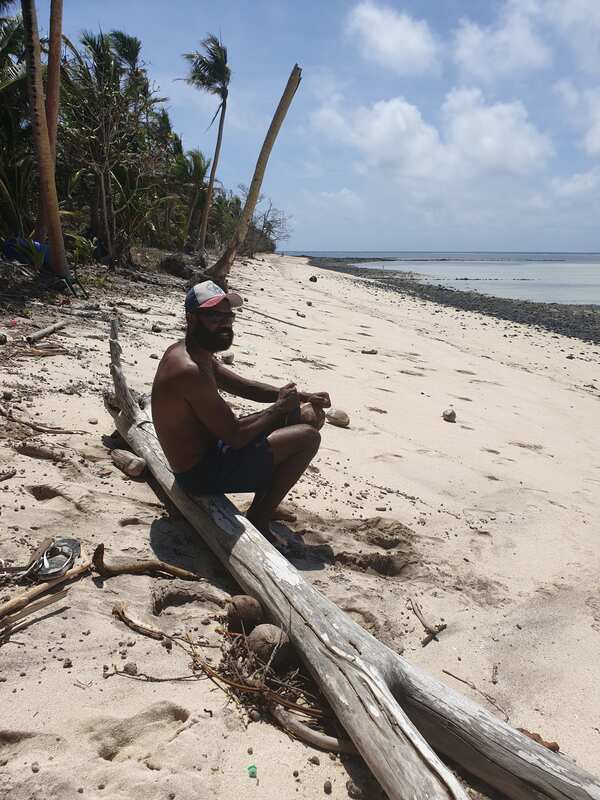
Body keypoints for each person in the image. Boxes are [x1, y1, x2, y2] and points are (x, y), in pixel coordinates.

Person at [152, 280, 331, 544]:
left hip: (214, 449)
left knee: (298, 416)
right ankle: (259, 517)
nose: (224, 323)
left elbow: (245, 386)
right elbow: (235, 435)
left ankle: (267, 497)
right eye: (214, 316)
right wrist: (280, 406)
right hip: (198, 474)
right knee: (307, 437)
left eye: (229, 316)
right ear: (191, 319)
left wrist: (301, 396)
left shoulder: (193, 351)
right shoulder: (188, 370)